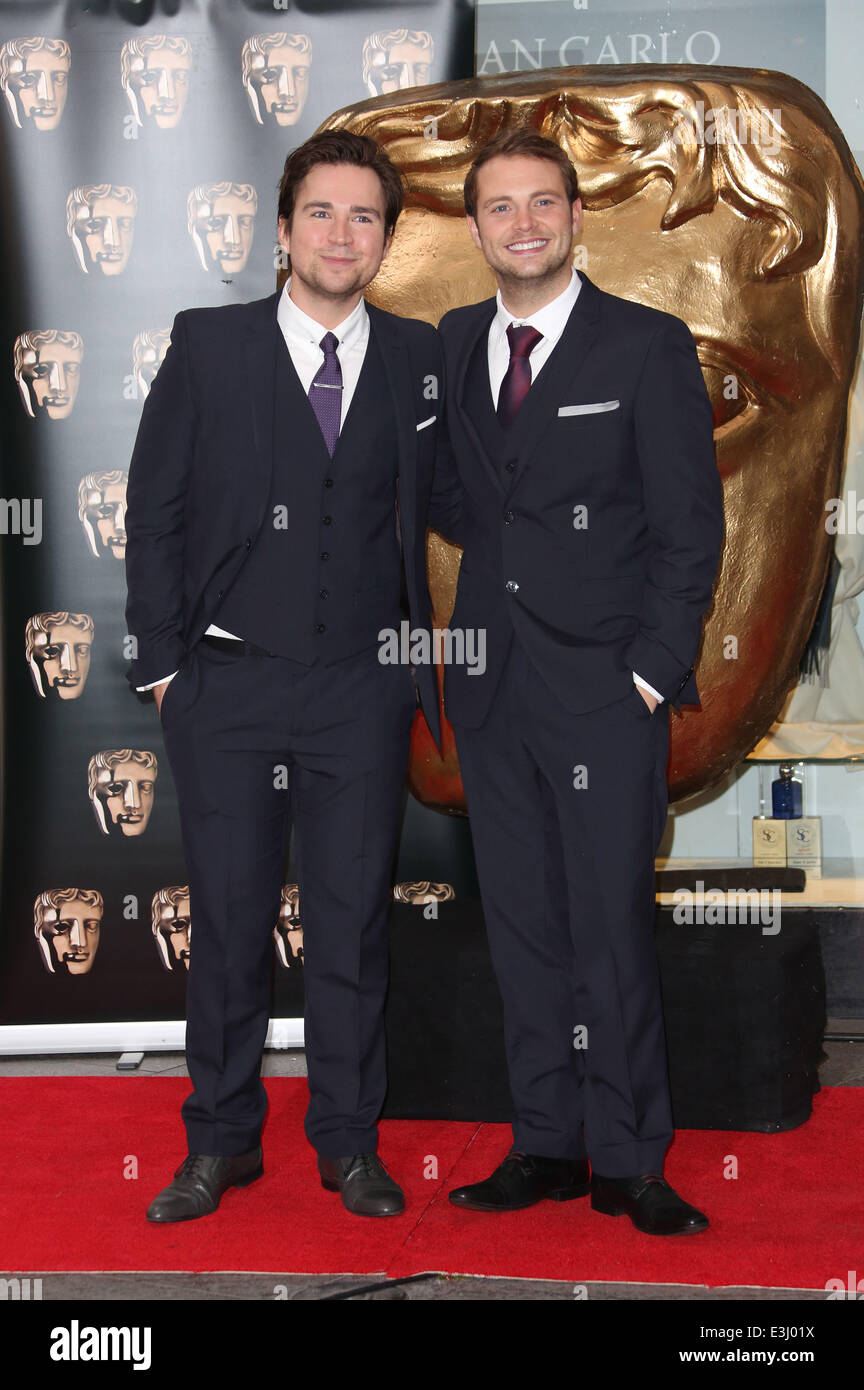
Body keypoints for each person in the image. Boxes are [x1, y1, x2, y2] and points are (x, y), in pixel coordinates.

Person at [125, 130, 443, 1221]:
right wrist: (166, 670)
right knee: (227, 922)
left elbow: (463, 509)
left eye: (364, 217)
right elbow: (153, 512)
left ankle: (349, 1142)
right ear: (280, 231)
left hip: (362, 688)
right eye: (322, 213)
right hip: (225, 690)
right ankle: (219, 1141)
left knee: (352, 924)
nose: (341, 234)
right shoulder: (209, 347)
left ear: (387, 238)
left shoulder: (417, 359)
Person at [428, 129, 724, 1235]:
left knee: (609, 928)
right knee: (523, 931)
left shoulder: (645, 346)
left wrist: (650, 673)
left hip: (608, 692)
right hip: (495, 691)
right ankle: (546, 1143)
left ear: (576, 216)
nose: (523, 224)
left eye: (541, 203)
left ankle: (634, 1161)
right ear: (476, 228)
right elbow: (465, 500)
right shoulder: (459, 341)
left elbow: (694, 531)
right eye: (500, 207)